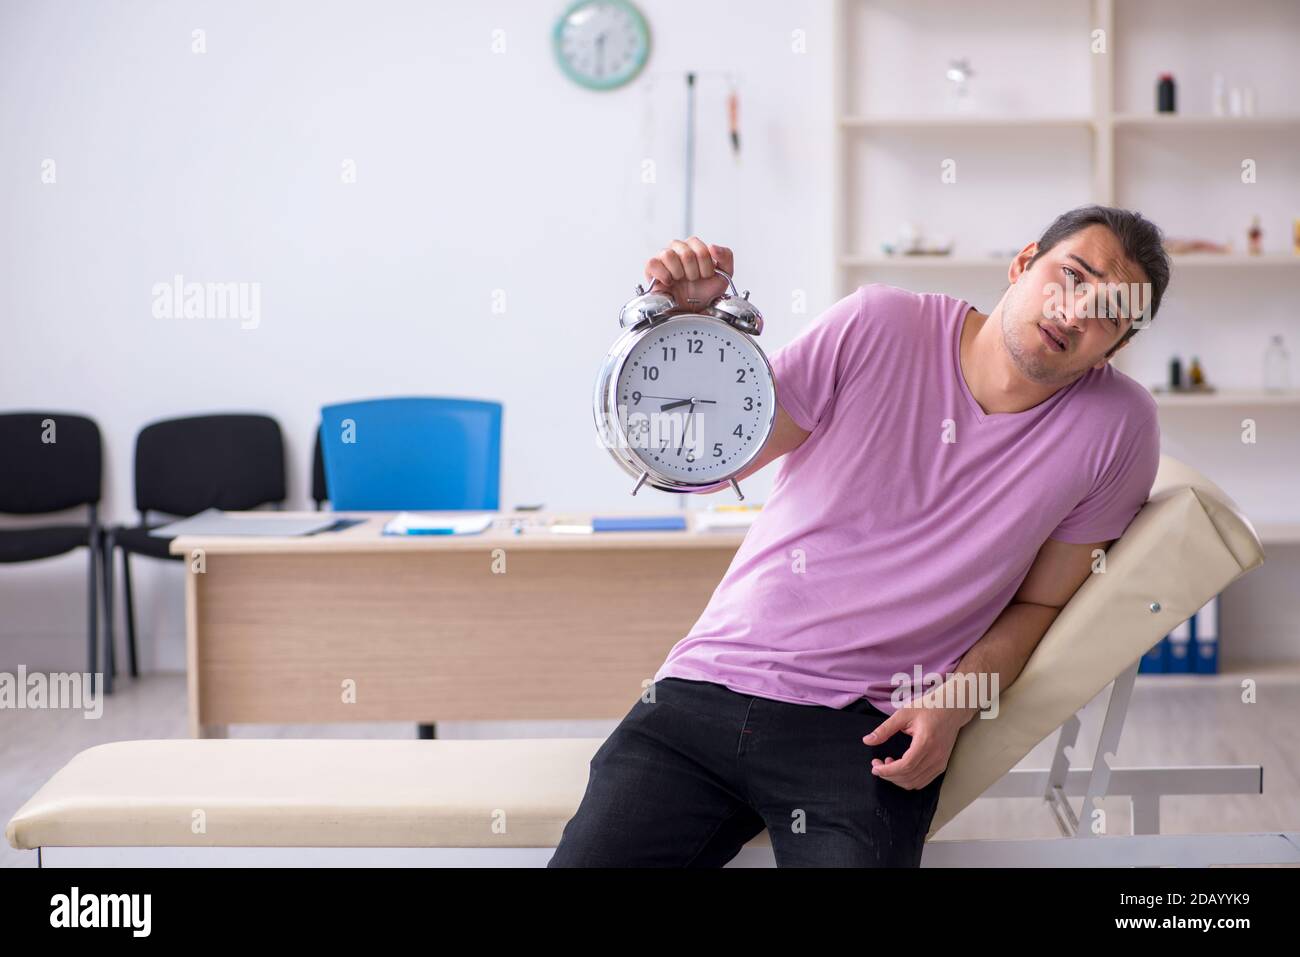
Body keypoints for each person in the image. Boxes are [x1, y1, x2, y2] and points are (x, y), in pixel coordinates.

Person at [549, 205, 1169, 867]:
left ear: (1119, 342)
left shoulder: (1118, 428)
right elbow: (705, 461)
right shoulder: (878, 323)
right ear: (1023, 263)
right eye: (1069, 276)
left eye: (1106, 310)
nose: (1073, 312)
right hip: (710, 681)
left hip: (866, 727)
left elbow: (1039, 604)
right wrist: (688, 328)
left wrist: (956, 704)